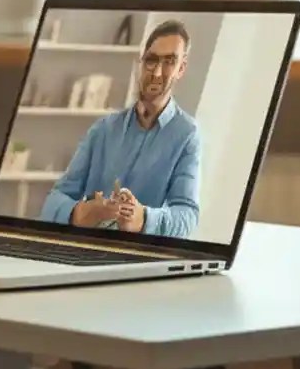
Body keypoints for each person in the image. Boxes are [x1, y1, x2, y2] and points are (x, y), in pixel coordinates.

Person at [39, 20, 202, 238]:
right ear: (141, 63)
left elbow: (187, 216)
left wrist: (143, 219)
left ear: (181, 68)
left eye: (169, 62)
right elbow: (54, 199)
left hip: (139, 257)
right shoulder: (103, 129)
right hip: (86, 247)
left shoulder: (187, 135)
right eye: (151, 61)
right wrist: (78, 214)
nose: (156, 73)